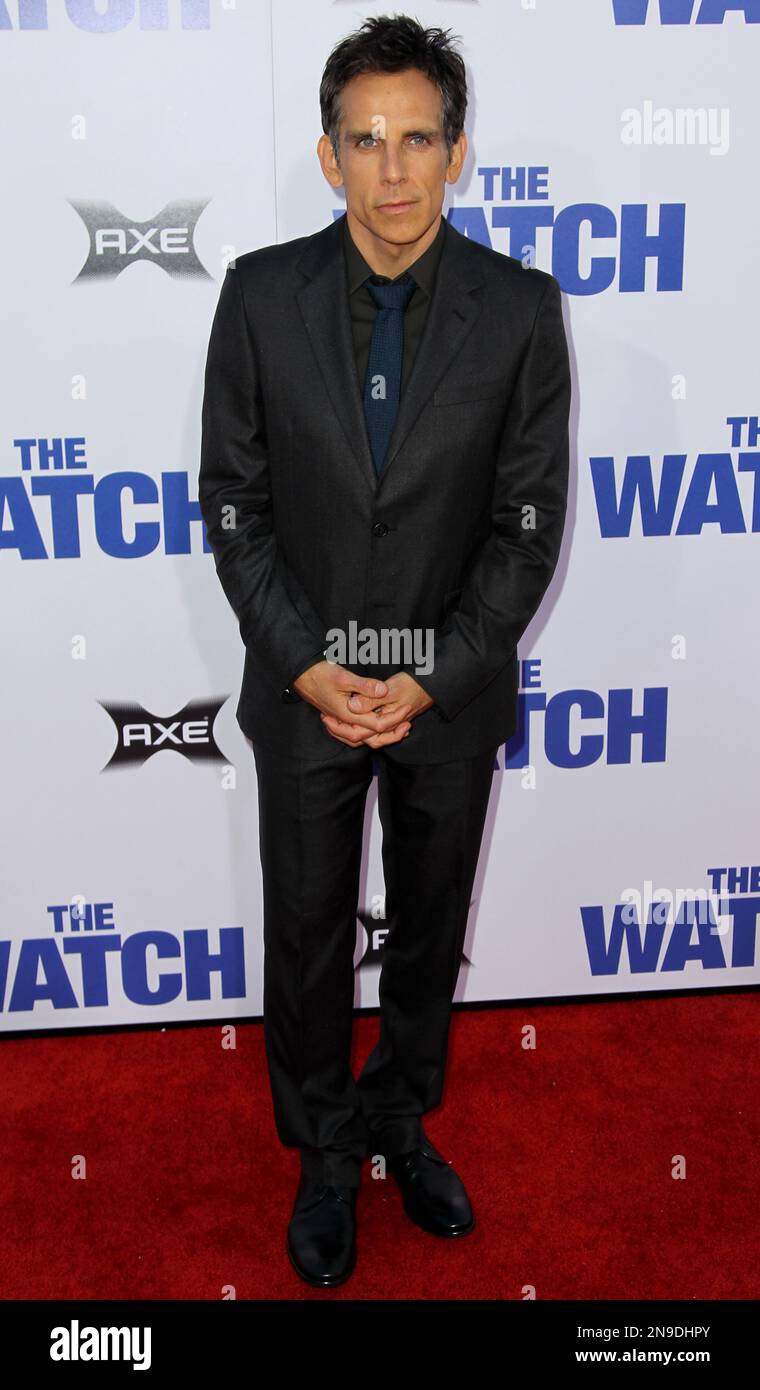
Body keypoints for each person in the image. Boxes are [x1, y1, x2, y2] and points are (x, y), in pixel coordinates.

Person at [198, 13, 571, 1288]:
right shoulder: (256, 295)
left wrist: (430, 672)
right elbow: (232, 504)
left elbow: (527, 529)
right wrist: (309, 664)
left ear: (457, 153)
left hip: (446, 695)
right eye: (368, 141)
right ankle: (319, 1154)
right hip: (302, 690)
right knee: (303, 931)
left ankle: (399, 1122)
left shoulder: (521, 310)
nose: (394, 170)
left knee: (424, 928)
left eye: (419, 139)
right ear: (327, 156)